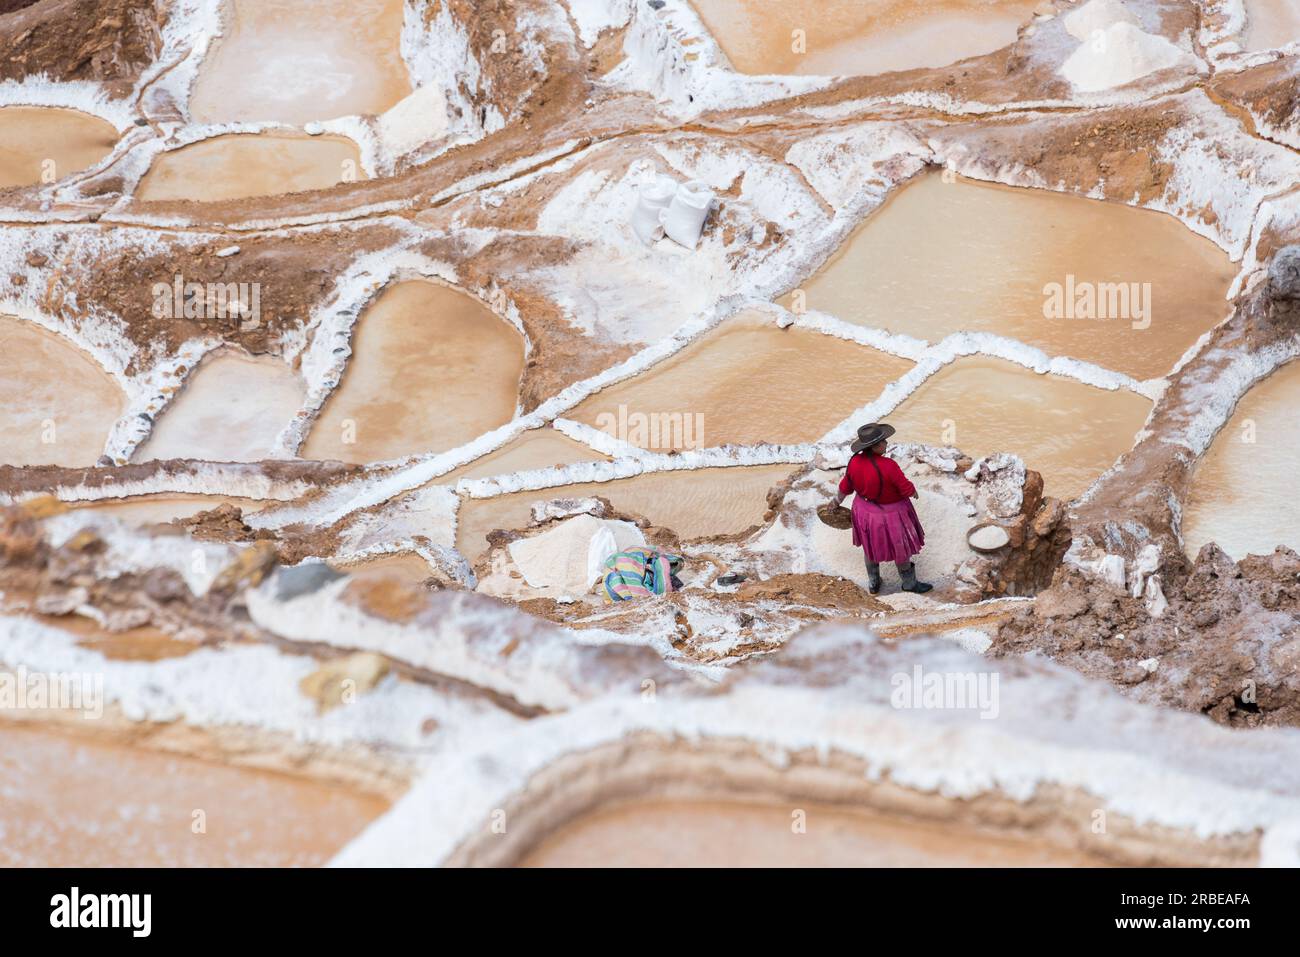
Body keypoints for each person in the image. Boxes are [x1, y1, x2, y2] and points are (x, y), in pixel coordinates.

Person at [833, 422, 932, 595]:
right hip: (890, 514)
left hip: (864, 512)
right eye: (883, 441)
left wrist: (835, 502)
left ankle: (873, 583)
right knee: (900, 549)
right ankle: (909, 583)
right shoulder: (889, 465)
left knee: (870, 548)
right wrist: (913, 491)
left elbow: (845, 486)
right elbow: (904, 488)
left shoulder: (854, 461)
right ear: (874, 446)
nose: (886, 444)